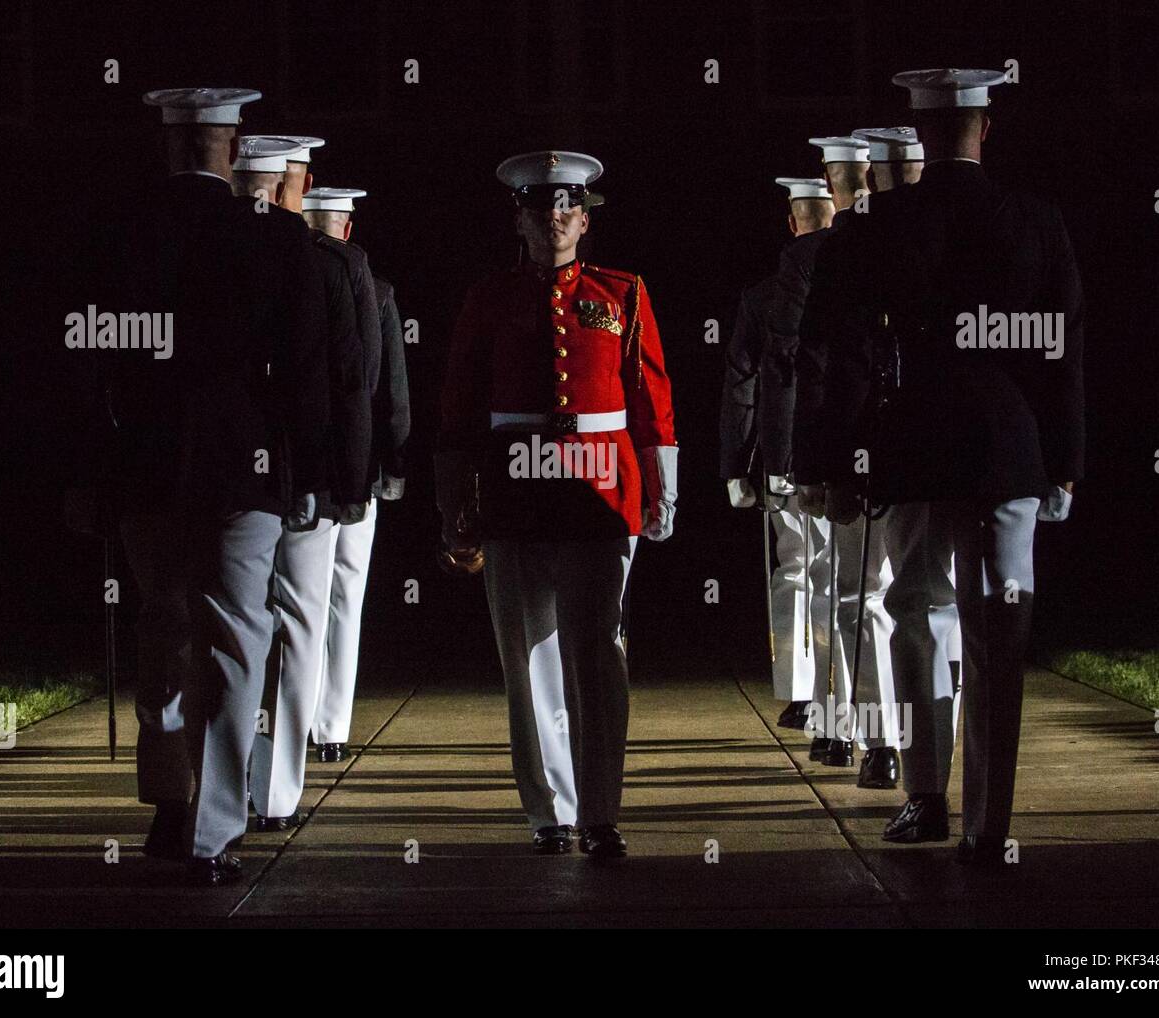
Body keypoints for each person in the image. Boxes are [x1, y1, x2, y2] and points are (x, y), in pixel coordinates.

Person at [795, 69, 1085, 864]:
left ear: (918, 135)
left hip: (913, 444)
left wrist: (829, 462)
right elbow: (1059, 353)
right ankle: (988, 823)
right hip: (1008, 450)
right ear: (985, 127)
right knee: (998, 631)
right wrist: (1062, 460)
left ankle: (925, 793)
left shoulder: (876, 227)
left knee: (917, 618)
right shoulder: (1035, 220)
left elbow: (835, 353)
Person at [115, 89, 331, 885]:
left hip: (145, 461)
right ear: (234, 143)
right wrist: (308, 469)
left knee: (164, 625)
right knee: (237, 638)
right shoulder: (273, 239)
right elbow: (305, 370)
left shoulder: (120, 231)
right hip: (246, 462)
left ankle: (170, 806)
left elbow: (86, 356)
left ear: (167, 141)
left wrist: (88, 467)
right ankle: (211, 832)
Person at [436, 151, 676, 858]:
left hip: (601, 490)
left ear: (584, 216)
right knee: (528, 659)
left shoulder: (622, 292)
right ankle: (550, 811)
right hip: (515, 493)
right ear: (521, 219)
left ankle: (600, 812)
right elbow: (457, 408)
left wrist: (660, 494)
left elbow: (650, 400)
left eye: (567, 208)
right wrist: (456, 503)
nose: (556, 221)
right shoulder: (489, 298)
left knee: (597, 650)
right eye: (542, 211)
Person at [234, 152, 373, 832]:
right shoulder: (332, 265)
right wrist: (348, 480)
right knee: (297, 625)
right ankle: (277, 790)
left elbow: (353, 380)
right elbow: (353, 382)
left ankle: (235, 786)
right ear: (304, 187)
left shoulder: (222, 253)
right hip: (298, 474)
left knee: (236, 631)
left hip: (240, 471)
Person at [300, 186, 411, 762]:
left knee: (304, 600)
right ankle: (332, 724)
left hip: (315, 470)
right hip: (361, 468)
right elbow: (391, 390)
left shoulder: (303, 282)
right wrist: (393, 461)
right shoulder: (381, 291)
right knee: (347, 594)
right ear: (348, 228)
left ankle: (304, 714)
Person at [720, 176, 834, 738]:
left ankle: (799, 694)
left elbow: (742, 385)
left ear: (792, 224)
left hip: (785, 452)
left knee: (797, 569)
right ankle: (845, 694)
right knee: (849, 578)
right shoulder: (860, 282)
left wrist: (736, 464)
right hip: (845, 451)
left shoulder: (763, 296)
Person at [792, 135, 872, 770]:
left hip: (868, 445)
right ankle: (882, 739)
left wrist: (816, 466)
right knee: (884, 598)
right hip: (891, 447)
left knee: (855, 593)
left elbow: (815, 366)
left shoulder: (835, 253)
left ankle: (859, 731)